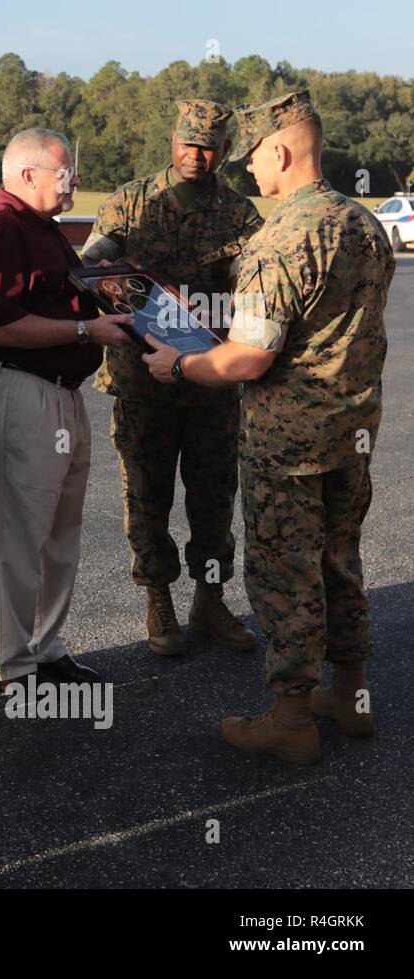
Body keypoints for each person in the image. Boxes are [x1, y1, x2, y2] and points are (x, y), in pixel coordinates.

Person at [143, 91, 394, 764]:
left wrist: (181, 363)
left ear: (280, 150)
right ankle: (350, 694)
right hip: (352, 434)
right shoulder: (365, 224)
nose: (247, 170)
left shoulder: (281, 237)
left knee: (286, 573)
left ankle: (290, 717)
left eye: (252, 156)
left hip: (288, 446)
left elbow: (250, 354)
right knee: (341, 563)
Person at [82, 100, 264, 656]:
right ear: (172, 140)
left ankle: (210, 599)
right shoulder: (133, 201)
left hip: (211, 380)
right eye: (187, 142)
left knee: (213, 497)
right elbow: (98, 256)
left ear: (226, 152)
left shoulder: (240, 214)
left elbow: (252, 278)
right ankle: (157, 595)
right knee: (147, 493)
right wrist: (101, 266)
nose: (195, 154)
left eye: (208, 146)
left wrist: (227, 291)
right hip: (144, 382)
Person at [0, 128, 134, 693]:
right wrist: (87, 327)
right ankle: (5, 665)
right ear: (28, 174)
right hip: (22, 391)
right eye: (65, 173)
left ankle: (44, 647)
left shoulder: (45, 230)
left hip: (61, 392)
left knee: (60, 532)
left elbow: (56, 297)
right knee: (15, 536)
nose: (75, 182)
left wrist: (97, 296)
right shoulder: (1, 230)